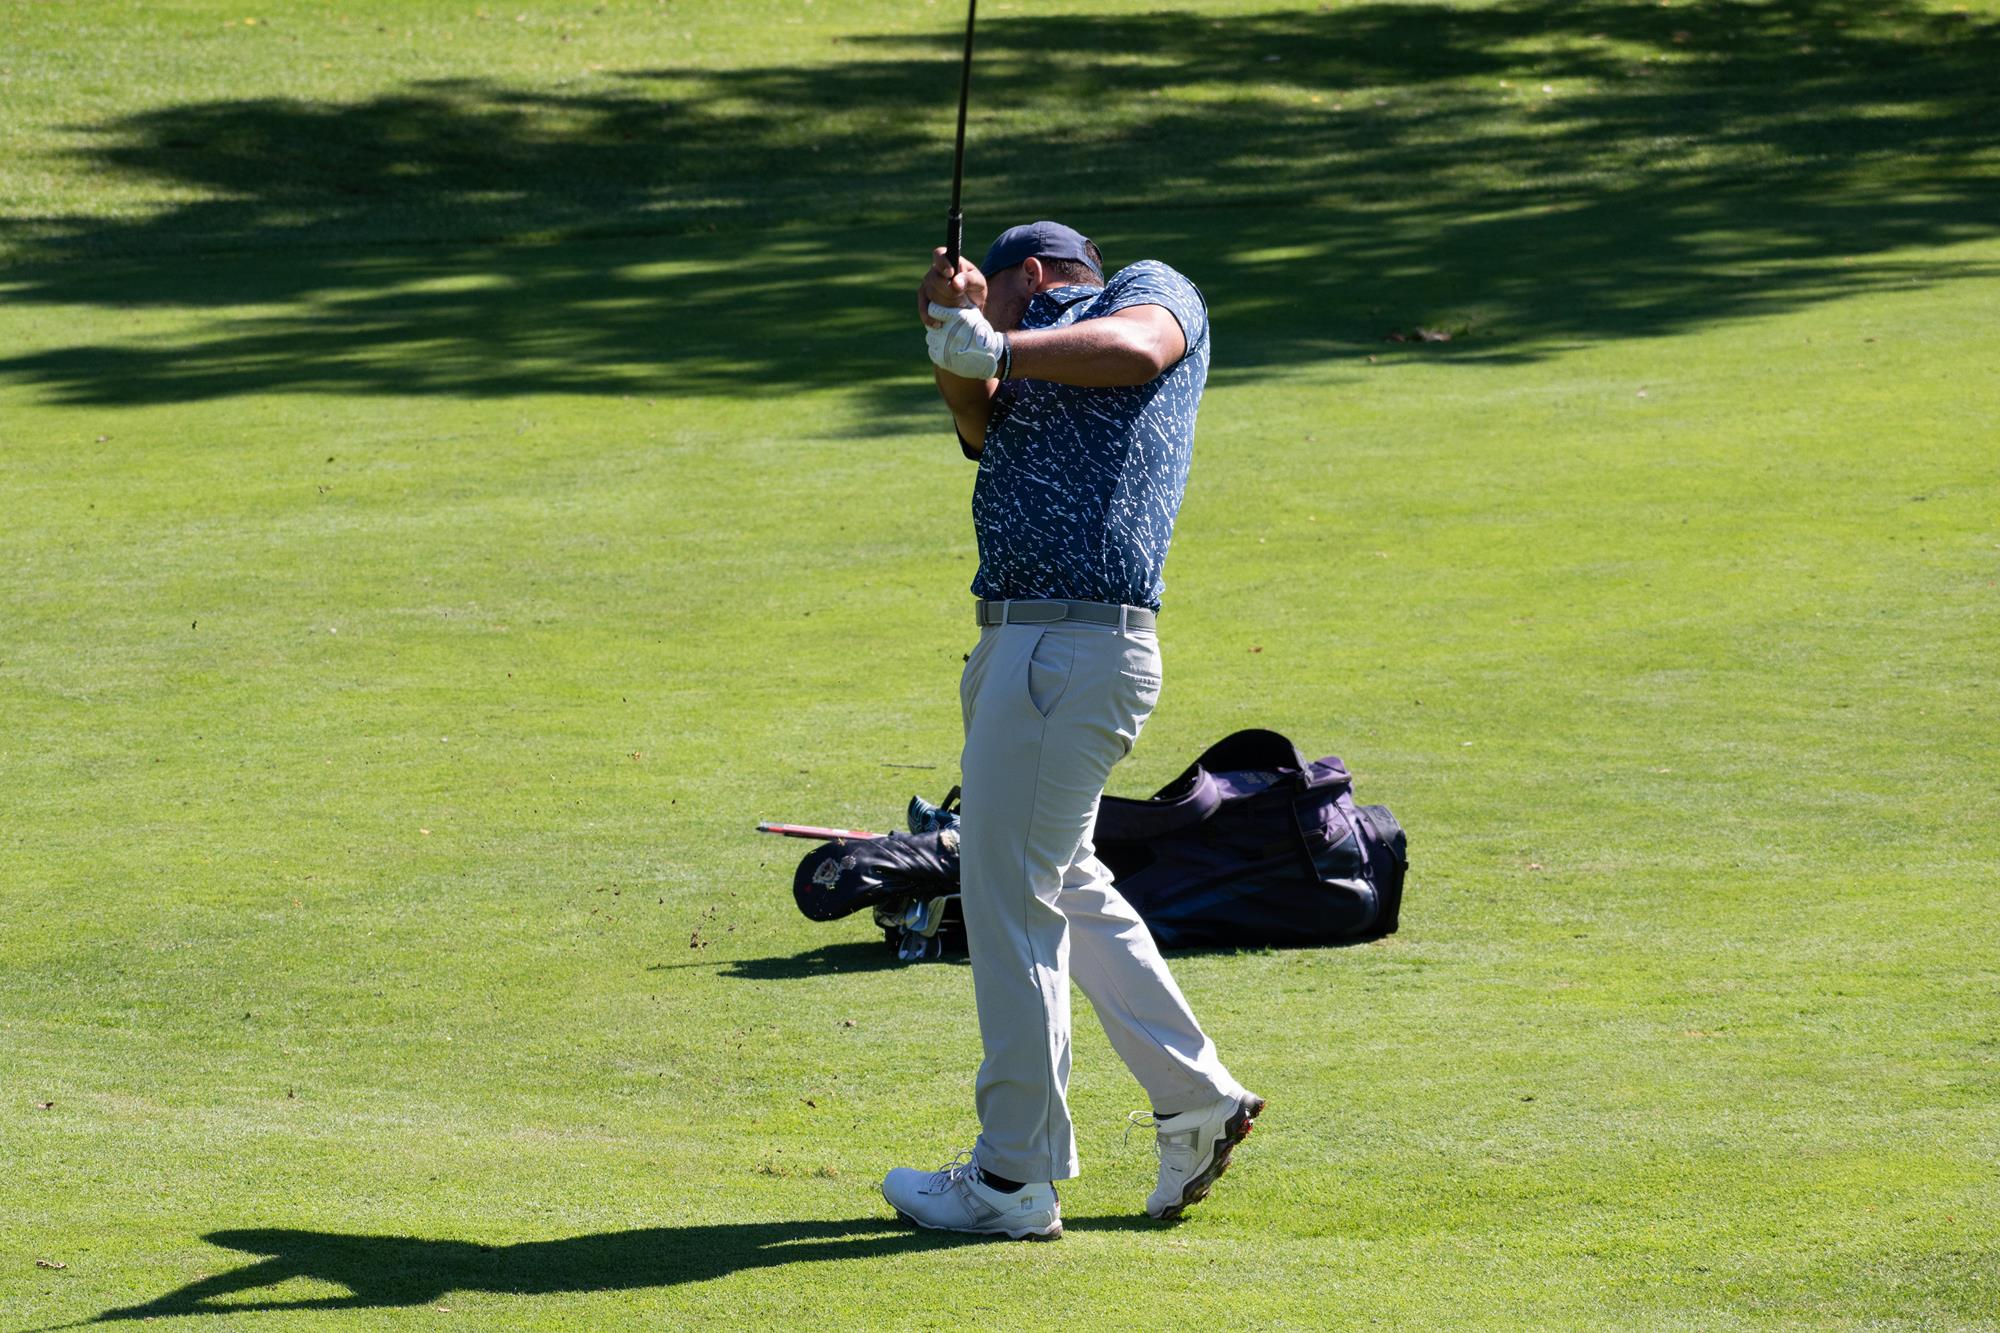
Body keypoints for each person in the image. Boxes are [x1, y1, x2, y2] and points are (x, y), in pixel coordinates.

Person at [879, 221, 1264, 1241]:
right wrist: (951, 333)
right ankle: (1195, 1096)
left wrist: (995, 339)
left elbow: (1138, 345)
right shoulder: (1019, 360)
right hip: (1023, 649)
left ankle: (1011, 1178)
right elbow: (974, 415)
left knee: (1006, 894)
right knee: (1062, 878)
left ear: (1038, 278)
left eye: (997, 300)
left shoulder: (1142, 290)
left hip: (1069, 647)